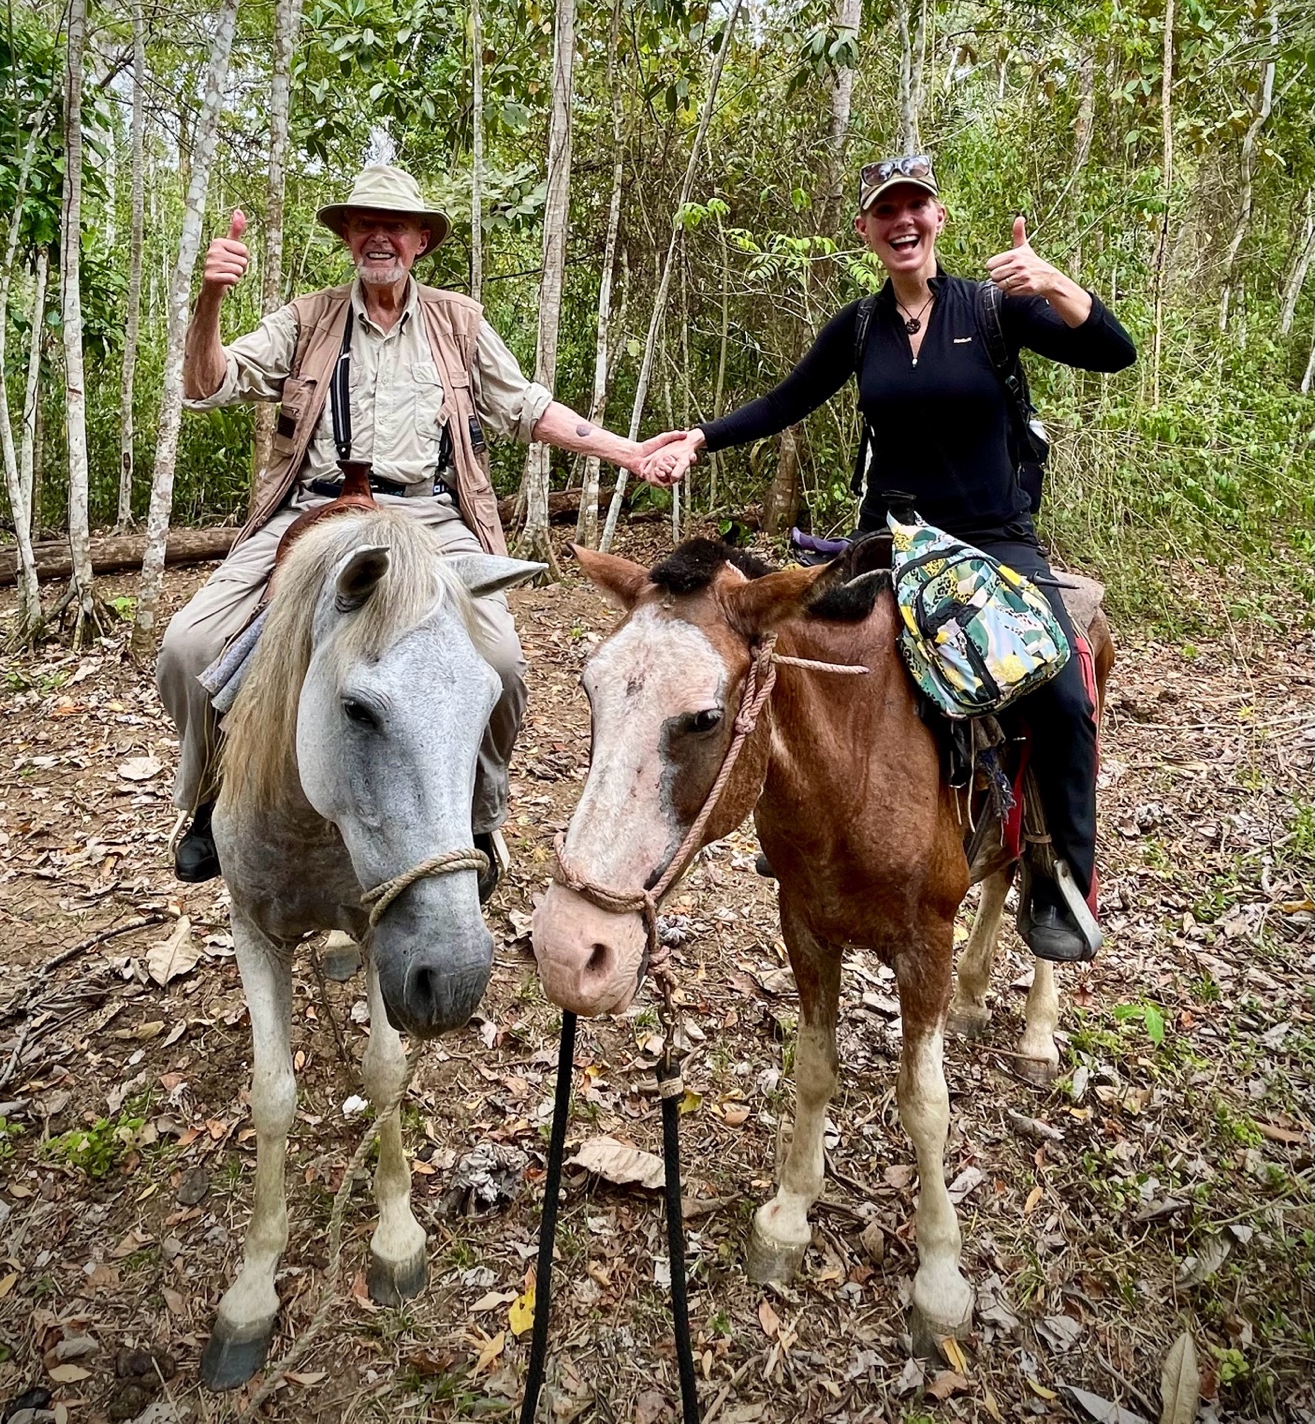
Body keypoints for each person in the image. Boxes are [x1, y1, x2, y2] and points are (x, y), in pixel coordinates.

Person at [641, 154, 1137, 961]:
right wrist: (700, 436)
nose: (901, 221)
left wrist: (1052, 283)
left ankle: (1060, 877)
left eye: (914, 206)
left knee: (1062, 694)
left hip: (991, 539)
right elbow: (785, 399)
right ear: (867, 229)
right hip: (890, 539)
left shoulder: (996, 308)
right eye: (885, 210)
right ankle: (807, 820)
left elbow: (1112, 353)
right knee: (808, 662)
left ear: (936, 217)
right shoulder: (860, 326)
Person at [161, 164, 678, 889]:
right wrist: (210, 298)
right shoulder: (307, 319)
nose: (380, 236)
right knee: (187, 646)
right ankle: (213, 796)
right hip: (314, 509)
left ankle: (477, 813)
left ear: (420, 241)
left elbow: (525, 407)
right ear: (346, 236)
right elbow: (208, 383)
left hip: (428, 512)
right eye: (365, 223)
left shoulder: (457, 321)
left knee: (498, 662)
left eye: (396, 224)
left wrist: (627, 450)